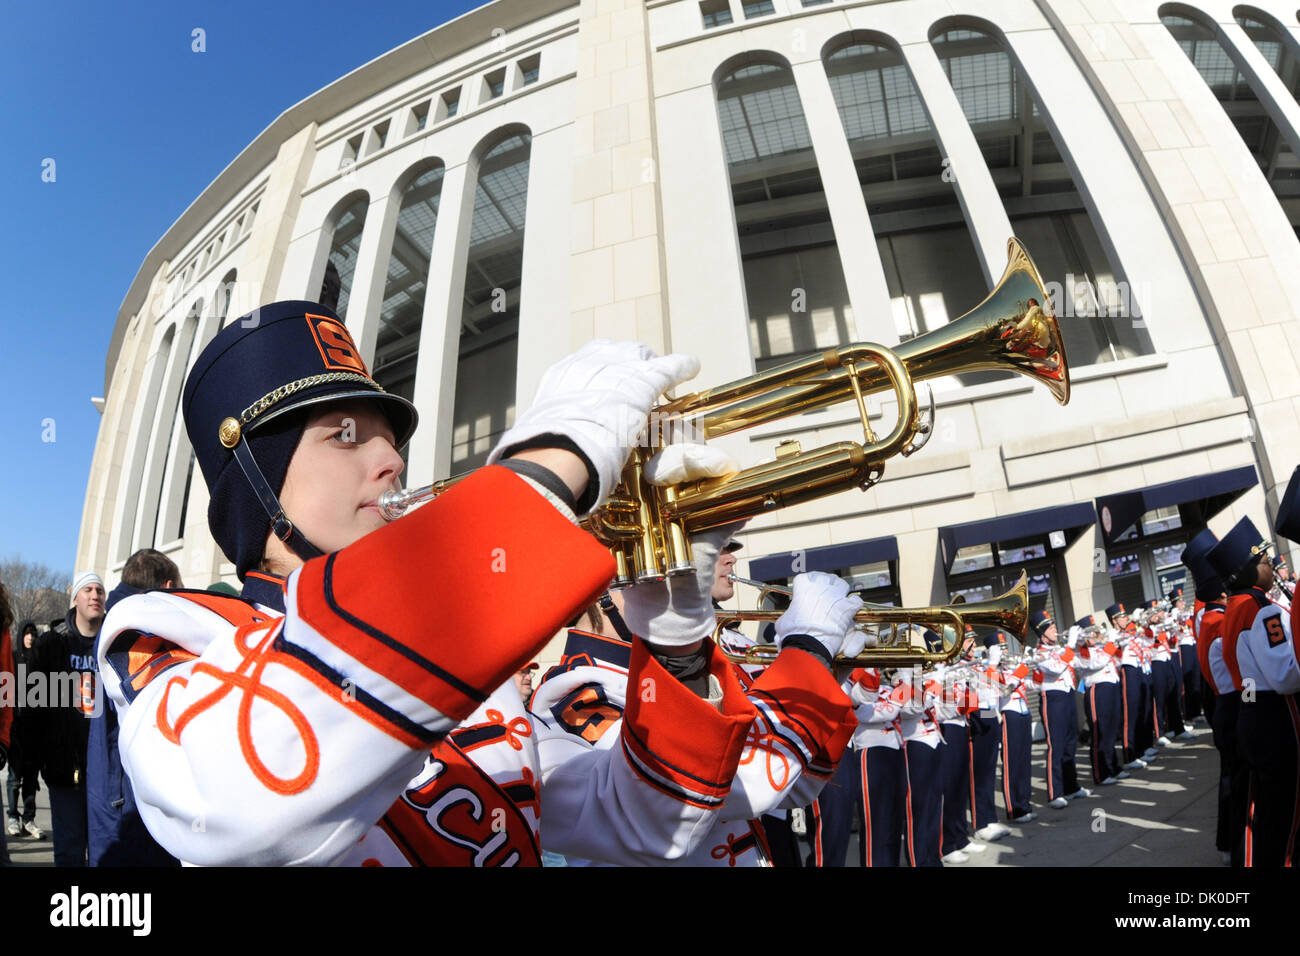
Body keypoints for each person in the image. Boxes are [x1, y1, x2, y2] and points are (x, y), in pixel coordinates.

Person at [97, 301, 779, 865]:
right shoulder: (171, 629)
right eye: (344, 435)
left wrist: (675, 643)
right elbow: (232, 802)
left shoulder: (481, 667)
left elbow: (649, 823)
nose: (392, 458)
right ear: (258, 485)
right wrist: (552, 466)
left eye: (389, 437)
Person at [1208, 515, 1297, 867]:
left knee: (1271, 813)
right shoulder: (1260, 609)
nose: (1272, 565)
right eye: (1264, 561)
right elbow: (1286, 677)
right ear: (1247, 570)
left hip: (1254, 710)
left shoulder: (1237, 606)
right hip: (1275, 717)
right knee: (1286, 817)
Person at [87, 549, 183, 867]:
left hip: (108, 784)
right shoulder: (139, 634)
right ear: (168, 586)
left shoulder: (114, 624)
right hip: (127, 793)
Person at [30, 570, 105, 866]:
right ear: (75, 598)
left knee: (104, 850)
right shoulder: (52, 644)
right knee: (69, 851)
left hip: (105, 769)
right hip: (65, 766)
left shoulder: (114, 643)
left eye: (100, 590)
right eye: (88, 590)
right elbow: (33, 709)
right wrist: (32, 762)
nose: (95, 596)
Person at [6, 620, 42, 840]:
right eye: (27, 633)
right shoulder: (12, 658)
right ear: (21, 636)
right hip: (15, 727)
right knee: (14, 776)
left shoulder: (39, 660)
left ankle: (29, 818)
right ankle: (13, 817)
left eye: (33, 634)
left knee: (31, 777)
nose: (30, 637)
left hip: (35, 728)